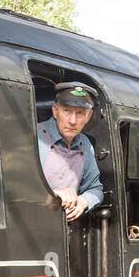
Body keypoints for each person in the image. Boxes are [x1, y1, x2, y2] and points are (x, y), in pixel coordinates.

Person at [37, 81, 103, 221]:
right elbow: (15, 185)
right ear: (55, 111)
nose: (72, 121)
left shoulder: (84, 144)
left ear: (88, 116)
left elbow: (96, 188)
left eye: (80, 113)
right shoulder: (34, 136)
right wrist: (53, 193)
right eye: (67, 111)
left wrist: (84, 201)